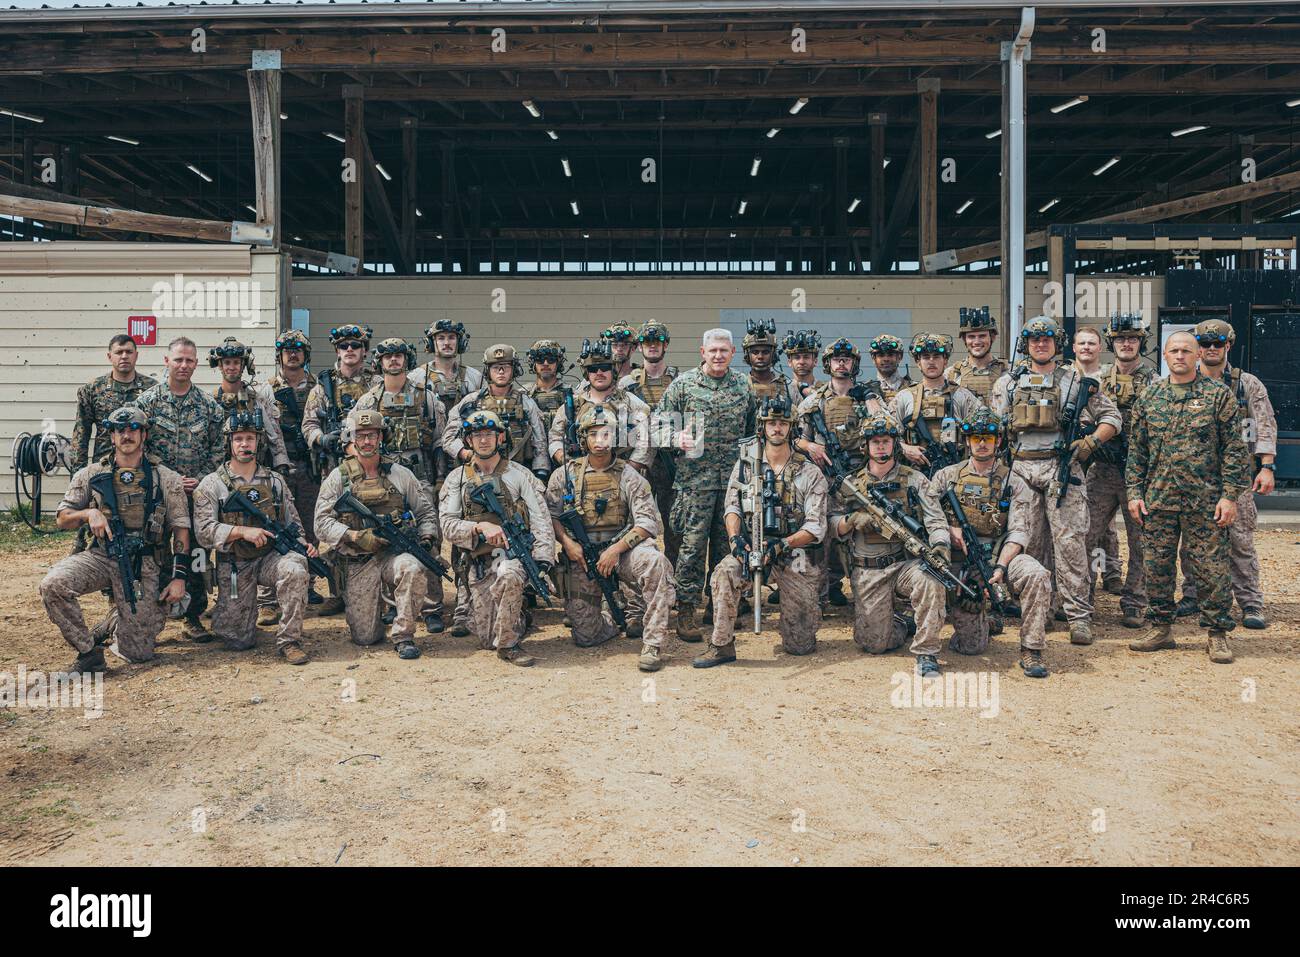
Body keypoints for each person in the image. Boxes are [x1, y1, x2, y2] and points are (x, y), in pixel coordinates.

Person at [990, 316, 1121, 646]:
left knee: (1071, 546)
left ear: (1057, 343)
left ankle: (1078, 616)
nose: (1040, 344)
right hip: (1021, 470)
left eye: (1047, 339)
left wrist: (1090, 443)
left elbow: (1112, 418)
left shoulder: (1075, 381)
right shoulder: (1008, 383)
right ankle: (1039, 611)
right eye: (1034, 339)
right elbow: (992, 427)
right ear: (1026, 344)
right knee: (1028, 543)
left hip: (1062, 468)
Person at [1126, 331, 1251, 663]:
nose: (1180, 356)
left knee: (1211, 569)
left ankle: (1217, 633)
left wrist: (1229, 496)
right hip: (1158, 500)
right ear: (1164, 356)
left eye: (1186, 351)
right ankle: (1160, 628)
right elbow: (1136, 452)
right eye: (1174, 351)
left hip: (1205, 501)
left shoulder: (1217, 396)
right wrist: (1134, 493)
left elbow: (1234, 451)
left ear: (1197, 357)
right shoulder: (1149, 397)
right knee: (1157, 568)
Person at [41, 406, 190, 672]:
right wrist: (89, 513)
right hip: (101, 555)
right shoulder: (90, 474)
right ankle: (89, 653)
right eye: (120, 430)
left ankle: (114, 621)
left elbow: (180, 529)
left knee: (138, 653)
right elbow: (62, 518)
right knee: (53, 584)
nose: (126, 435)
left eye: (133, 429)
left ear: (144, 435)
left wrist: (179, 577)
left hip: (145, 565)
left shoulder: (166, 478)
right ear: (111, 437)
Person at [695, 394, 828, 666]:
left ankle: (796, 628)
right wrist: (735, 540)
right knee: (724, 573)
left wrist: (781, 545)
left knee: (800, 646)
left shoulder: (810, 473)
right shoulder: (746, 467)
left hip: (793, 552)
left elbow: (816, 527)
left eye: (782, 423)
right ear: (762, 427)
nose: (777, 428)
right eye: (771, 423)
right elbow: (731, 507)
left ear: (792, 427)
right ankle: (721, 645)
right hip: (751, 545)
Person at [546, 405, 675, 671]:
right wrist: (568, 544)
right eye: (593, 435)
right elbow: (551, 515)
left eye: (606, 435)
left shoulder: (629, 475)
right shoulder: (565, 475)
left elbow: (647, 523)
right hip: (583, 555)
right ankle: (612, 617)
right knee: (586, 637)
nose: (600, 441)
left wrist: (616, 549)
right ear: (584, 439)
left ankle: (653, 643)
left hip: (623, 551)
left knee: (655, 562)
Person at [926, 408, 1053, 677]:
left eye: (988, 438)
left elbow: (1019, 531)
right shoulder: (946, 476)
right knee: (972, 647)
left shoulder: (1014, 481)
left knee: (1036, 574)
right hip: (960, 558)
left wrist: (1001, 568)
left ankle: (1031, 649)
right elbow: (926, 514)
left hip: (999, 555)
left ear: (998, 442)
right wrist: (950, 530)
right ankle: (977, 623)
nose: (982, 443)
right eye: (976, 438)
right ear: (967, 441)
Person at [828, 411, 951, 676]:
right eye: (876, 442)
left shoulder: (915, 479)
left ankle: (926, 652)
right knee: (873, 644)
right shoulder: (852, 484)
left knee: (931, 578)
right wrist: (852, 520)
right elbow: (831, 525)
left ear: (895, 444)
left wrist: (941, 546)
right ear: (866, 446)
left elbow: (935, 520)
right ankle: (901, 624)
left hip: (904, 563)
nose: (881, 446)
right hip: (868, 570)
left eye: (886, 441)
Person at [654, 329, 758, 641]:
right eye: (712, 350)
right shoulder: (683, 386)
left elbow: (753, 432)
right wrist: (676, 438)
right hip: (694, 484)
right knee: (691, 549)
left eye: (724, 351)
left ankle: (720, 607)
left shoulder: (743, 385)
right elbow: (655, 428)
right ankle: (686, 611)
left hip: (731, 485)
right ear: (702, 352)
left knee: (728, 547)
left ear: (733, 353)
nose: (718, 356)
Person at [1174, 318, 1278, 629]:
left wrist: (1267, 466)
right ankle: (1192, 595)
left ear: (1227, 346)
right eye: (1204, 344)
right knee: (1192, 541)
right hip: (1193, 478)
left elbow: (1265, 424)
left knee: (1240, 541)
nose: (1210, 349)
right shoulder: (1182, 382)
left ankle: (1249, 603)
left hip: (1235, 478)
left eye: (1216, 343)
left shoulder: (1247, 384)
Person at [193, 411, 313, 665]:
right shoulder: (213, 484)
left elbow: (293, 524)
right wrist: (239, 532)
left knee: (295, 569)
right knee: (237, 640)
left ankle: (289, 640)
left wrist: (304, 546)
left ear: (259, 442)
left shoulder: (275, 481)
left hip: (271, 558)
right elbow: (203, 531)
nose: (244, 444)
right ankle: (239, 616)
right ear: (230, 443)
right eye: (238, 439)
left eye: (250, 438)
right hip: (235, 564)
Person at [439, 410, 556, 667]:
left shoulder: (519, 474)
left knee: (510, 574)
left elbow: (540, 519)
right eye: (477, 435)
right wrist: (479, 527)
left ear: (500, 437)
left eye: (489, 434)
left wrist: (543, 561)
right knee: (486, 638)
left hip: (512, 559)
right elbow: (447, 525)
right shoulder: (457, 479)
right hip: (478, 562)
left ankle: (509, 646)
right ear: (468, 440)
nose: (483, 440)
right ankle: (517, 614)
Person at [314, 410, 434, 660]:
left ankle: (404, 636)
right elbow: (321, 523)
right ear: (352, 439)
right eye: (361, 435)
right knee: (365, 637)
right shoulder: (339, 477)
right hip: (357, 561)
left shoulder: (400, 474)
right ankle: (375, 614)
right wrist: (354, 536)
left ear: (381, 437)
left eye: (372, 435)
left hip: (393, 555)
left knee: (412, 568)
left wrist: (426, 538)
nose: (367, 441)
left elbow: (425, 512)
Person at [351, 337, 449, 635]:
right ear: (379, 362)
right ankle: (393, 605)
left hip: (420, 477)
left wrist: (441, 478)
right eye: (388, 356)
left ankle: (432, 606)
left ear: (407, 359)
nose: (394, 361)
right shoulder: (369, 400)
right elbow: (351, 440)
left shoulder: (427, 397)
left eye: (399, 355)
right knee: (389, 538)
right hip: (384, 478)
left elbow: (441, 441)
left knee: (426, 539)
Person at [135, 336, 226, 643]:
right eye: (178, 360)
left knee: (198, 554)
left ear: (196, 364)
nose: (183, 365)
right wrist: (169, 476)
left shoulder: (209, 407)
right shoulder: (146, 404)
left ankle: (193, 616)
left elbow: (219, 449)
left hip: (195, 494)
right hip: (158, 494)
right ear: (167, 361)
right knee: (157, 553)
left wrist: (201, 478)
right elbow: (137, 445)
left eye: (189, 360)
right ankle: (153, 613)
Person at [794, 337, 883, 606]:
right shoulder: (815, 401)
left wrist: (870, 402)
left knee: (863, 534)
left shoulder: (867, 397)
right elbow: (794, 438)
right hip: (826, 480)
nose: (841, 363)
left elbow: (887, 429)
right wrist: (811, 446)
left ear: (854, 364)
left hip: (862, 479)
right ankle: (821, 594)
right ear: (827, 364)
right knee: (822, 538)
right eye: (836, 359)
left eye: (846, 359)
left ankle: (867, 595)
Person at [263, 328, 343, 617]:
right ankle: (270, 597)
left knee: (310, 528)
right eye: (287, 350)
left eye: (297, 349)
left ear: (305, 355)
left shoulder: (320, 387)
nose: (292, 354)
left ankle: (306, 584)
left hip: (310, 468)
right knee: (276, 527)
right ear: (280, 355)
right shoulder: (267, 389)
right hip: (278, 468)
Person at [1084, 314, 1157, 628]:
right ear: (1111, 342)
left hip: (1138, 473)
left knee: (1141, 541)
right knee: (1085, 536)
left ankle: (1135, 602)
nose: (1126, 343)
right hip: (1101, 470)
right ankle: (1081, 603)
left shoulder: (1155, 381)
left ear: (1141, 341)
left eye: (1132, 338)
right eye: (1120, 338)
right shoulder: (1097, 378)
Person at [621, 319, 680, 566]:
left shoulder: (679, 381)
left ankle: (671, 572)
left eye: (658, 342)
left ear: (666, 345)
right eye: (647, 342)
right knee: (631, 519)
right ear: (640, 346)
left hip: (670, 462)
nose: (652, 347)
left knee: (674, 523)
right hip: (637, 462)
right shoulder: (627, 384)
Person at [444, 343, 550, 479]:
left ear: (514, 369)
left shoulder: (526, 403)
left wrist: (540, 473)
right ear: (487, 370)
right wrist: (464, 453)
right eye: (495, 367)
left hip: (517, 473)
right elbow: (448, 437)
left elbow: (539, 441)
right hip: (478, 473)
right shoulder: (472, 401)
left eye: (506, 366)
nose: (501, 371)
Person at [548, 339, 652, 473]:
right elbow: (555, 437)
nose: (599, 373)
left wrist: (630, 468)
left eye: (604, 368)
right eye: (592, 369)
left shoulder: (629, 401)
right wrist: (567, 463)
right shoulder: (572, 404)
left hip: (621, 475)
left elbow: (647, 437)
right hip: (580, 474)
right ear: (587, 373)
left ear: (613, 371)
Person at [891, 332, 983, 477]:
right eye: (926, 357)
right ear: (918, 362)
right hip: (914, 477)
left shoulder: (962, 396)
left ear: (945, 361)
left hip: (956, 474)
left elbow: (985, 430)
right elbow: (885, 435)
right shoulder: (905, 397)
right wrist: (905, 448)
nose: (931, 361)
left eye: (937, 356)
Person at [71, 334, 158, 472]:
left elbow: (157, 434)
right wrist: (78, 475)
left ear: (136, 355)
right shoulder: (92, 389)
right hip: (105, 467)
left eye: (129, 352)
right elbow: (81, 436)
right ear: (109, 356)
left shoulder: (152, 389)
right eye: (119, 352)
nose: (124, 356)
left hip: (142, 467)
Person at [302, 324, 376, 475]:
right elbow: (309, 424)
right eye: (343, 346)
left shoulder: (376, 384)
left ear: (364, 351)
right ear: (337, 351)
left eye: (355, 345)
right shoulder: (322, 387)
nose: (349, 349)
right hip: (333, 465)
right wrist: (322, 439)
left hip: (371, 461)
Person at [208, 337, 290, 472]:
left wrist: (281, 464)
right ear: (220, 366)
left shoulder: (258, 400)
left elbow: (275, 437)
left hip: (254, 472)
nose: (232, 367)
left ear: (244, 365)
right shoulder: (210, 401)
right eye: (227, 363)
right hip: (218, 474)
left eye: (236, 362)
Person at [945, 306, 1007, 407]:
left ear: (993, 337)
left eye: (982, 336)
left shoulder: (1008, 372)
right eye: (971, 337)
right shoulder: (951, 374)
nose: (977, 342)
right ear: (964, 340)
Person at [524, 339, 569, 434]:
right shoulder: (523, 395)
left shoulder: (571, 395)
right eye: (540, 359)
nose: (545, 363)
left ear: (558, 363)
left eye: (551, 359)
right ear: (533, 363)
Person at [741, 318, 792, 402]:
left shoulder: (788, 386)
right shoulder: (740, 385)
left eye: (765, 352)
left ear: (773, 355)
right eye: (755, 352)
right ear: (747, 355)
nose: (760, 356)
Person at [780, 329, 822, 406]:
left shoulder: (824, 390)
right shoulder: (782, 389)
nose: (801, 362)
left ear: (815, 361)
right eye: (797, 357)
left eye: (806, 357)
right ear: (789, 362)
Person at [868, 333, 911, 402]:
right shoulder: (866, 390)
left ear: (900, 357)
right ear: (873, 359)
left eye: (890, 355)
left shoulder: (913, 388)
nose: (886, 359)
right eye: (881, 355)